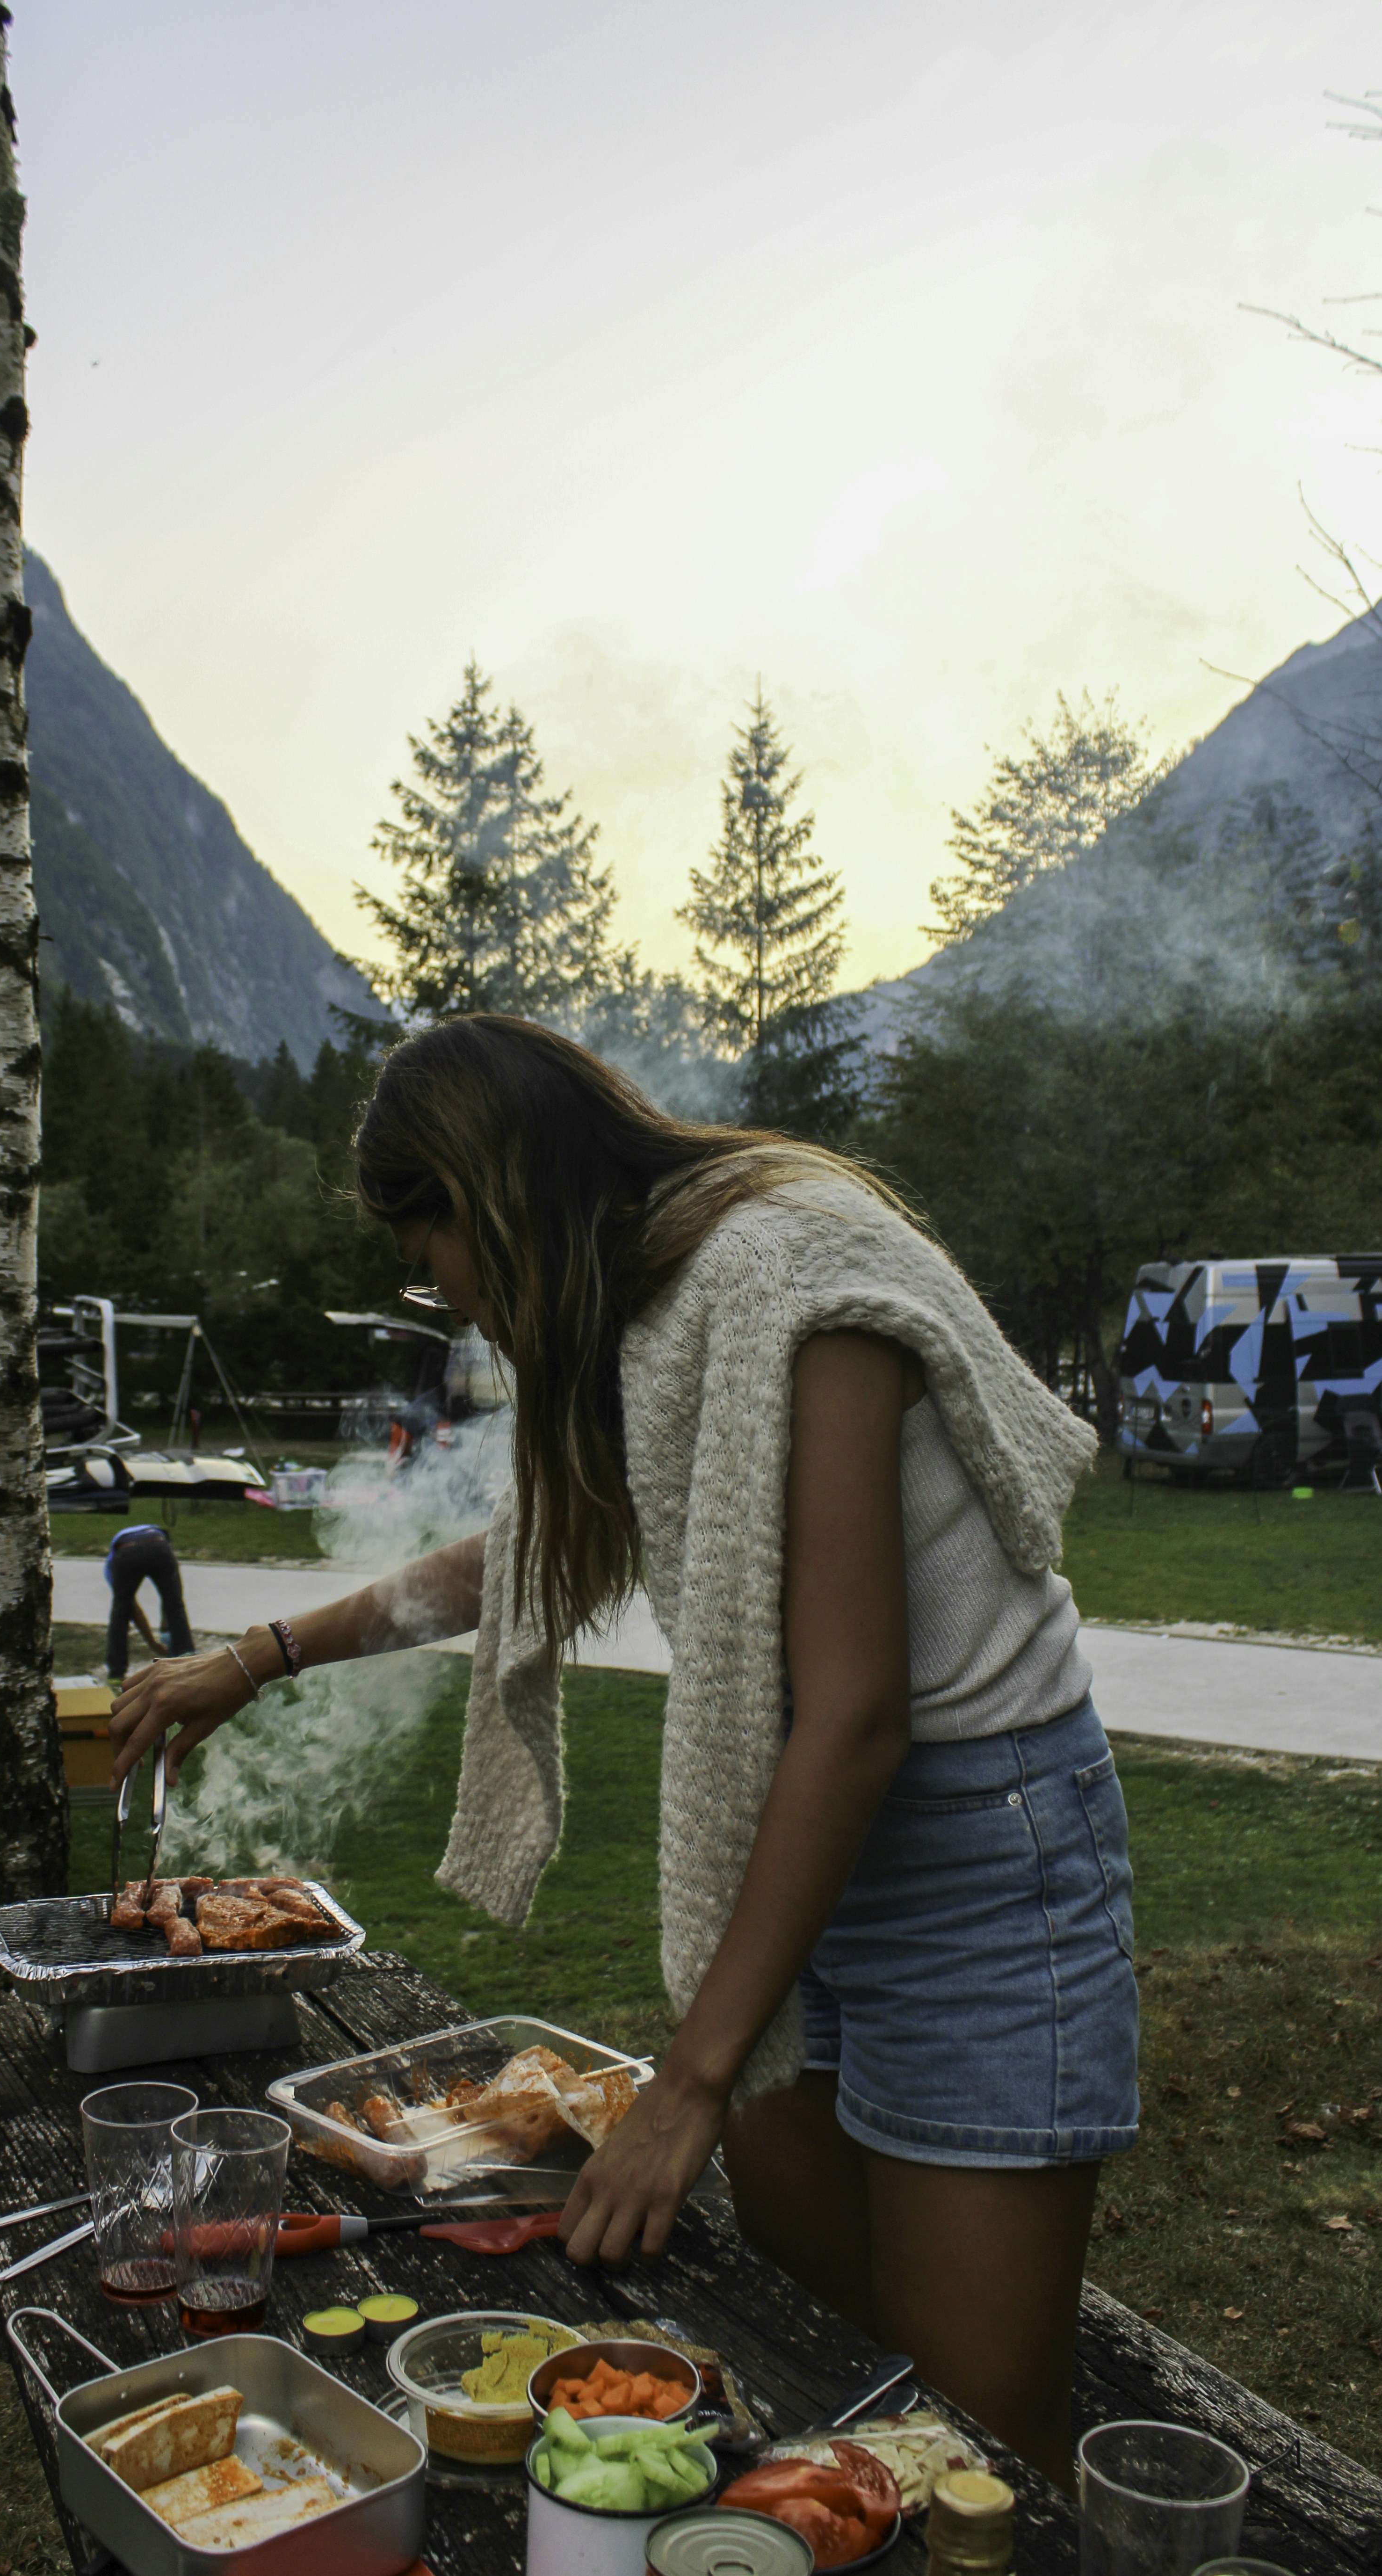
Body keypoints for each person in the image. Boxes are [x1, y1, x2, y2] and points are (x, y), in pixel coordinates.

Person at [108, 1017, 1136, 2489]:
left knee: (977, 2452)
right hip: (790, 1856)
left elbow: (854, 1711)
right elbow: (533, 1547)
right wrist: (258, 1654)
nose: (463, 1312)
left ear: (486, 1199)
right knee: (830, 2367)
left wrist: (685, 2083)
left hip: (975, 1866)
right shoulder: (655, 1307)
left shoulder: (790, 1269)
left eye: (442, 1266)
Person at [103, 1523, 194, 1683]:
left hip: (127, 1552)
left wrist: (153, 1643)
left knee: (120, 1612)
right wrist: (158, 1639)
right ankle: (188, 1663)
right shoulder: (161, 1539)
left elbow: (132, 1610)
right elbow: (170, 1603)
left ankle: (116, 1673)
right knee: (175, 1605)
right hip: (160, 1548)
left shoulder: (111, 1566)